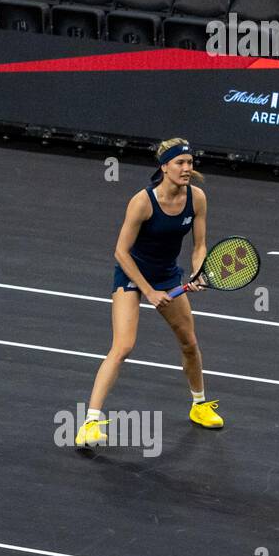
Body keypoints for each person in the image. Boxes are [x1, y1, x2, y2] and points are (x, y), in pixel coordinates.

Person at [74, 138, 223, 448]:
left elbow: (198, 246)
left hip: (168, 274)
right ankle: (89, 423)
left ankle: (199, 405)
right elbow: (121, 252)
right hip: (133, 274)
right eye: (180, 163)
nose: (186, 168)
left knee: (189, 343)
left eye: (190, 163)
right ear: (164, 167)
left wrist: (197, 270)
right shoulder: (142, 202)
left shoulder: (197, 199)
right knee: (123, 346)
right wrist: (150, 292)